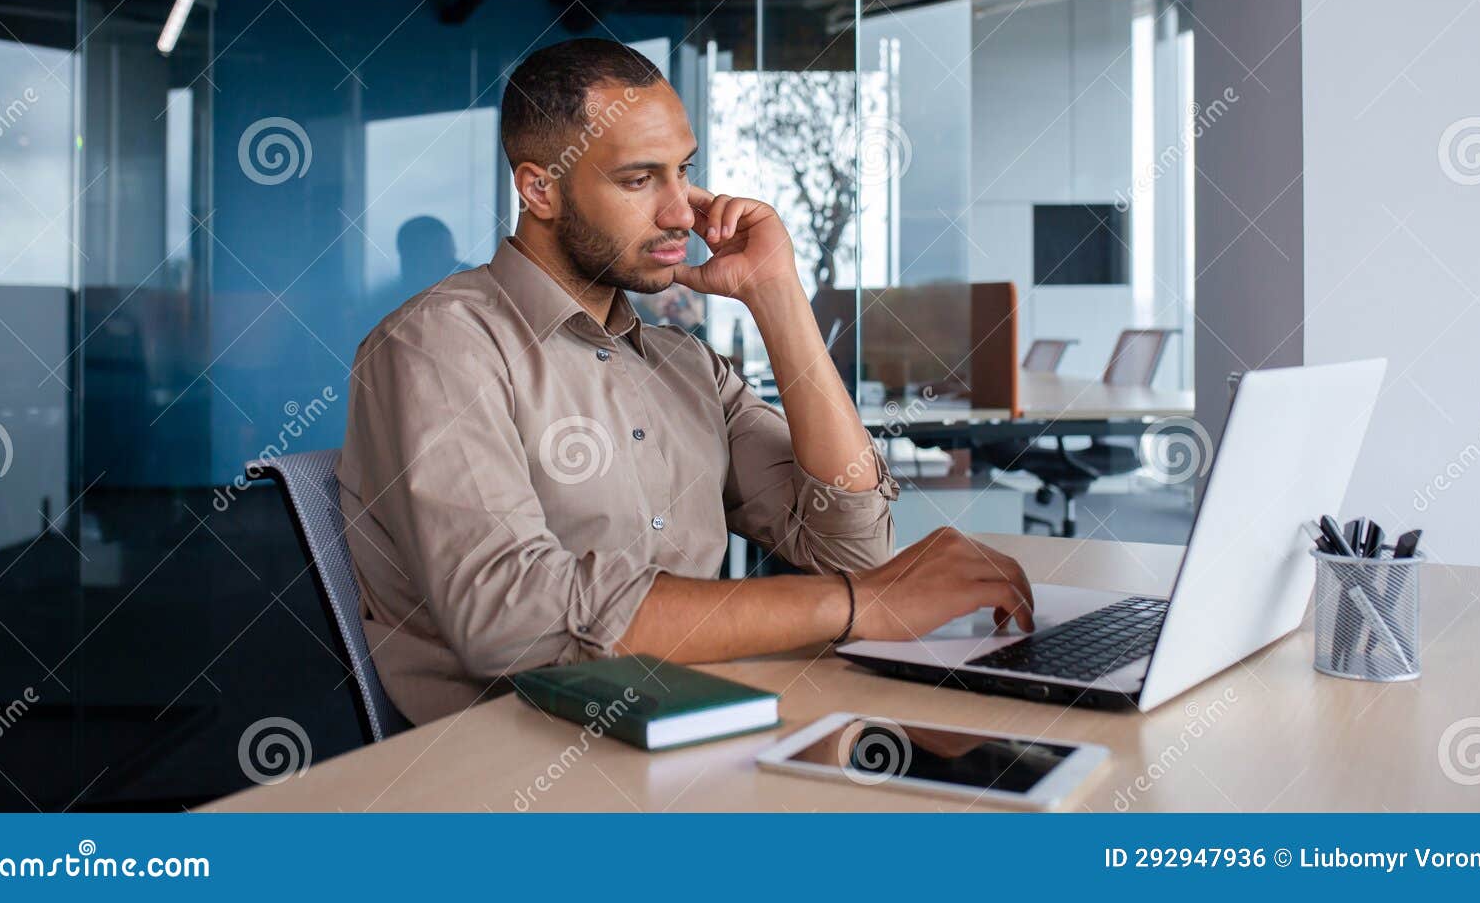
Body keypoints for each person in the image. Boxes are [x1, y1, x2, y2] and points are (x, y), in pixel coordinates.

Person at [337, 38, 1034, 723]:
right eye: (640, 180)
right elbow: (511, 616)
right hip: (525, 774)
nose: (680, 212)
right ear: (539, 189)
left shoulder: (683, 362)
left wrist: (776, 293)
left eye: (683, 171)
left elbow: (849, 545)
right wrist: (858, 604)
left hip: (705, 724)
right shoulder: (438, 345)